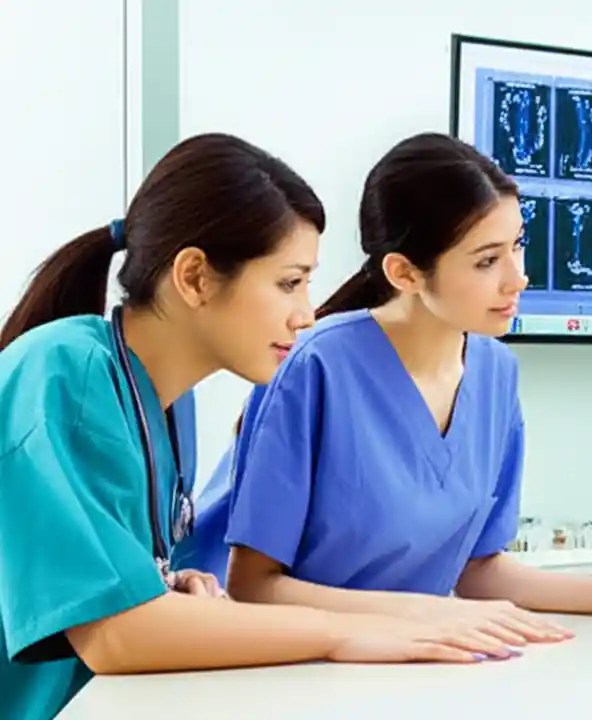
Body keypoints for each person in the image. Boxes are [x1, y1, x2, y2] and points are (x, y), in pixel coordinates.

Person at [0, 133, 537, 720]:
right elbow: (112, 637)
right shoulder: (65, 376)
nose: (306, 313)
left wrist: (169, 588)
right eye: (289, 283)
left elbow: (105, 590)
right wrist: (345, 632)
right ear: (196, 277)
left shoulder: (163, 402)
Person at [179, 133, 592, 647]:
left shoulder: (497, 373)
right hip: (286, 667)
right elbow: (253, 587)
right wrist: (421, 615)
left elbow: (477, 571)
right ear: (404, 273)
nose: (518, 277)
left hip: (417, 661)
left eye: (517, 246)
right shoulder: (316, 366)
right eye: (487, 260)